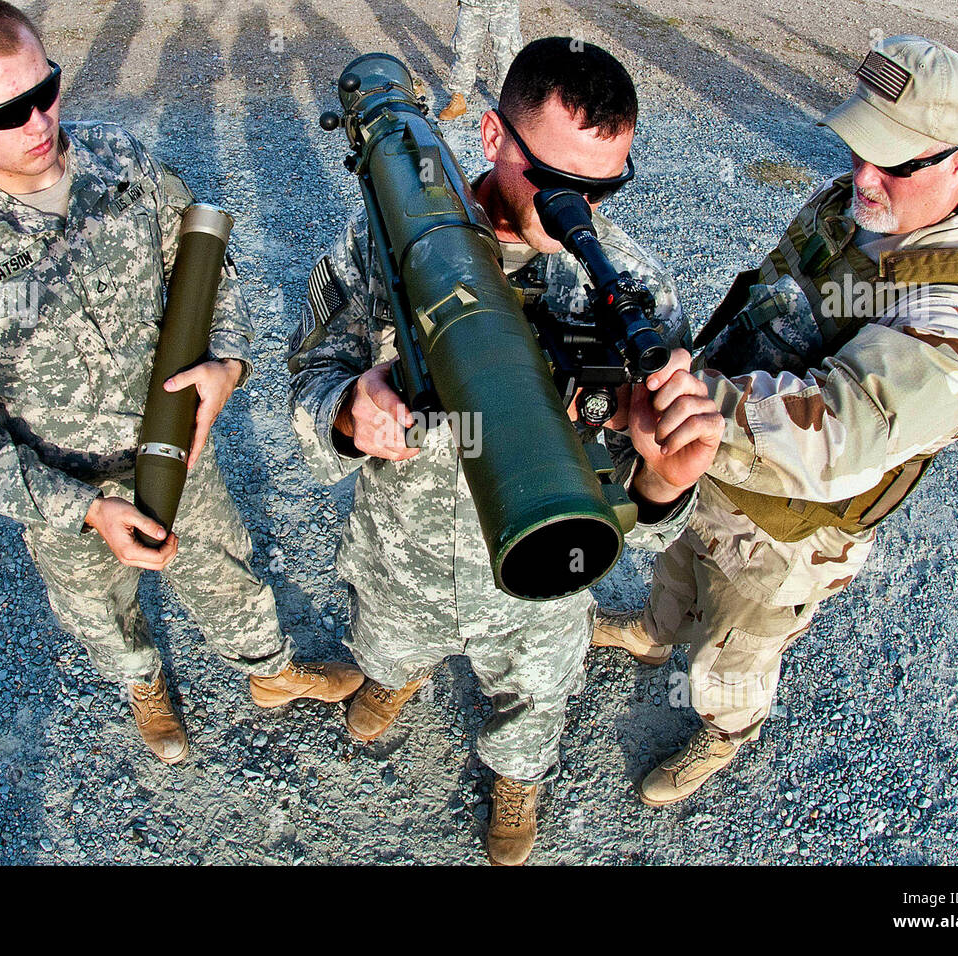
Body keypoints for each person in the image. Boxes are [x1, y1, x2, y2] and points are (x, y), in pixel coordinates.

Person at [0, 0, 361, 766]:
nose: (38, 122)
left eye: (46, 90)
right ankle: (144, 684)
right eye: (5, 111)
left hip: (179, 452)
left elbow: (203, 262)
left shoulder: (120, 160)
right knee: (101, 612)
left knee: (225, 570)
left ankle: (269, 671)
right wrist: (83, 510)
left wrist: (228, 361)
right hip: (67, 498)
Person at [290, 37, 723, 864]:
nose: (580, 211)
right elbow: (309, 377)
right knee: (385, 642)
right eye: (557, 181)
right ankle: (392, 679)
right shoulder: (391, 236)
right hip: (403, 558)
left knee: (535, 699)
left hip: (543, 589)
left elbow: (649, 518)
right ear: (492, 138)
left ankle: (518, 779)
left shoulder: (633, 289)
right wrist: (350, 412)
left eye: (604, 186)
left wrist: (665, 481)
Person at [595, 36, 958, 808]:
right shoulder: (848, 204)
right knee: (678, 564)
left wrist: (688, 401)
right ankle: (655, 634)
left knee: (733, 647)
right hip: (712, 470)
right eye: (859, 147)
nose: (863, 176)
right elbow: (765, 299)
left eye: (894, 161)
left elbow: (838, 432)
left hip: (785, 528)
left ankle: (726, 730)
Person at [438, 0, 522, 122]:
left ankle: (510, 102)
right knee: (465, 50)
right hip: (472, 5)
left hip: (504, 6)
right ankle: (459, 97)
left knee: (507, 55)